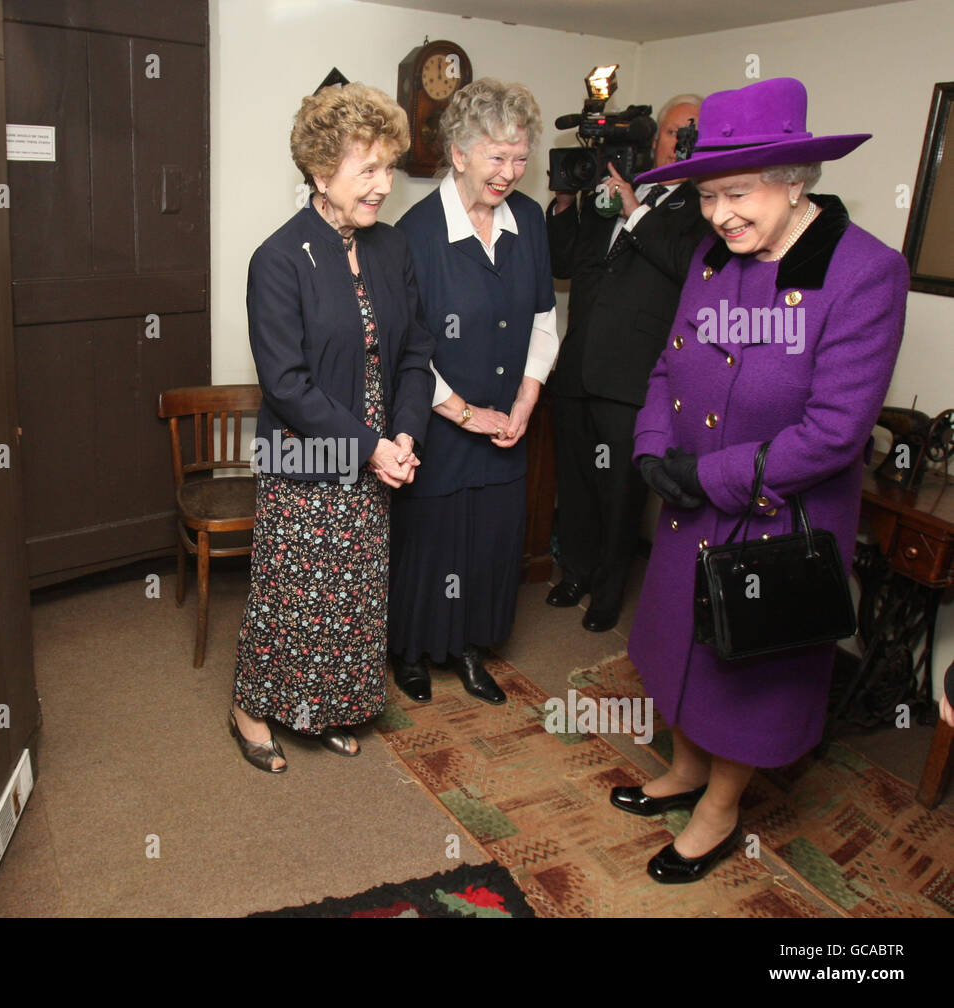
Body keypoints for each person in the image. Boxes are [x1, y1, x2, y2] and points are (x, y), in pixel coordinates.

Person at [613, 77, 907, 883]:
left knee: (745, 670)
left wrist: (705, 473)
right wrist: (647, 449)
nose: (718, 216)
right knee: (681, 645)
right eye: (707, 196)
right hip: (688, 502)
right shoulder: (713, 256)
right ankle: (684, 770)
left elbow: (835, 433)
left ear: (795, 180)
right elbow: (670, 367)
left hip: (778, 516)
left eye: (735, 194)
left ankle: (719, 807)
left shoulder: (865, 273)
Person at [229, 83, 435, 773]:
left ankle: (320, 710)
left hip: (378, 456)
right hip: (311, 458)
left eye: (388, 167)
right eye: (366, 169)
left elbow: (413, 351)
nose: (383, 184)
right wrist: (371, 445)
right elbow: (286, 385)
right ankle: (251, 707)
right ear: (321, 174)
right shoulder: (279, 259)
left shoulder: (391, 248)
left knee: (350, 598)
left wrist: (405, 436)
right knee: (292, 598)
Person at [388, 79, 558, 705]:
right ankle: (409, 650)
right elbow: (403, 350)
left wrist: (525, 400)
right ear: (458, 152)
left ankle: (466, 649)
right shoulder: (412, 235)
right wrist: (465, 414)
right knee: (429, 544)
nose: (510, 172)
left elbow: (544, 316)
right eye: (496, 155)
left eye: (520, 157)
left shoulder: (531, 223)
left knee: (488, 544)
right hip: (438, 426)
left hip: (508, 425)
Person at [545, 93, 710, 632]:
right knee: (574, 484)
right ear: (653, 137)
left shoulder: (702, 207)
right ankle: (576, 573)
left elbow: (687, 270)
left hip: (632, 376)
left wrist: (637, 209)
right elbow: (566, 263)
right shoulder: (605, 191)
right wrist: (567, 203)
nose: (679, 140)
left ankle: (609, 594)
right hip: (578, 367)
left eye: (691, 132)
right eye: (671, 130)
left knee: (618, 492)